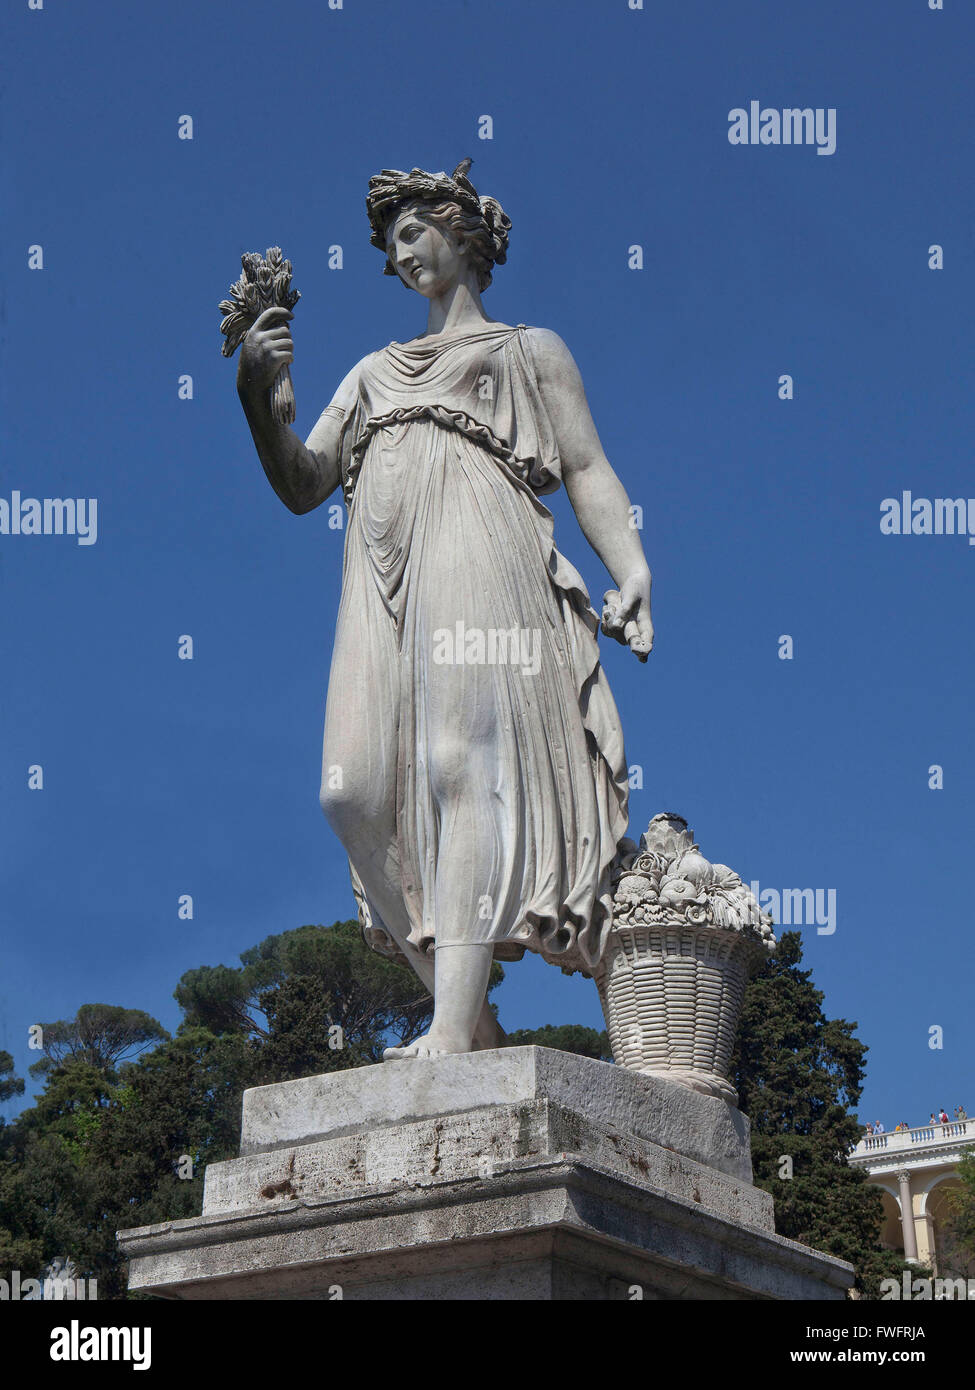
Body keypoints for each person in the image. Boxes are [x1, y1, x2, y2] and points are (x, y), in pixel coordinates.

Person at [236, 161, 654, 1058]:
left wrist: (631, 569)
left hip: (479, 541)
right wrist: (254, 401)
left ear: (461, 233)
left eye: (413, 232)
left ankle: (453, 1026)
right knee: (348, 792)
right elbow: (304, 484)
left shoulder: (526, 351)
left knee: (460, 764)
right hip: (378, 569)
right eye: (390, 245)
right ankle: (475, 1021)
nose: (400, 252)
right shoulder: (372, 372)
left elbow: (585, 467)